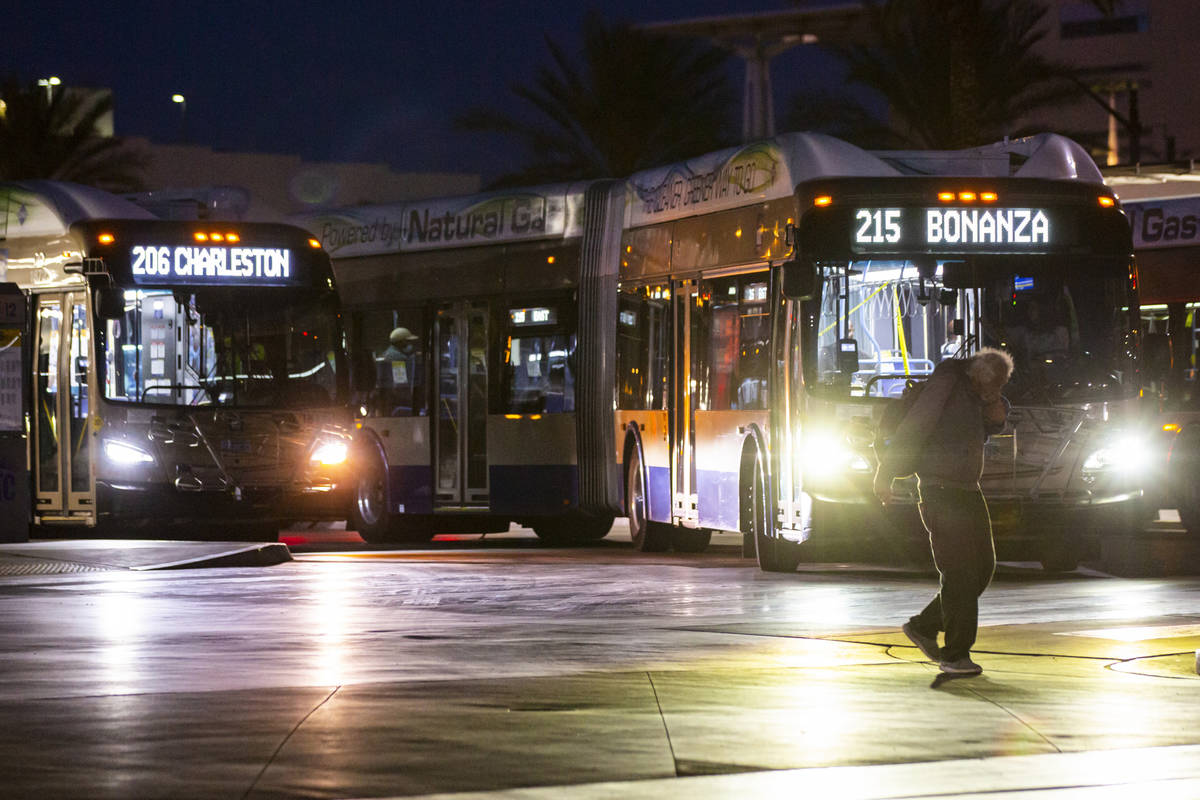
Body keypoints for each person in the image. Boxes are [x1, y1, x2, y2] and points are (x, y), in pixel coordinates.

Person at [873, 347, 1013, 676]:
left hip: (967, 490)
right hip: (939, 490)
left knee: (982, 568)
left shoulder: (980, 393)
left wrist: (994, 401)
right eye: (993, 386)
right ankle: (955, 654)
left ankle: (925, 625)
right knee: (961, 572)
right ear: (977, 377)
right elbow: (914, 428)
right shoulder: (947, 385)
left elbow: (996, 422)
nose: (997, 392)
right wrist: (885, 474)